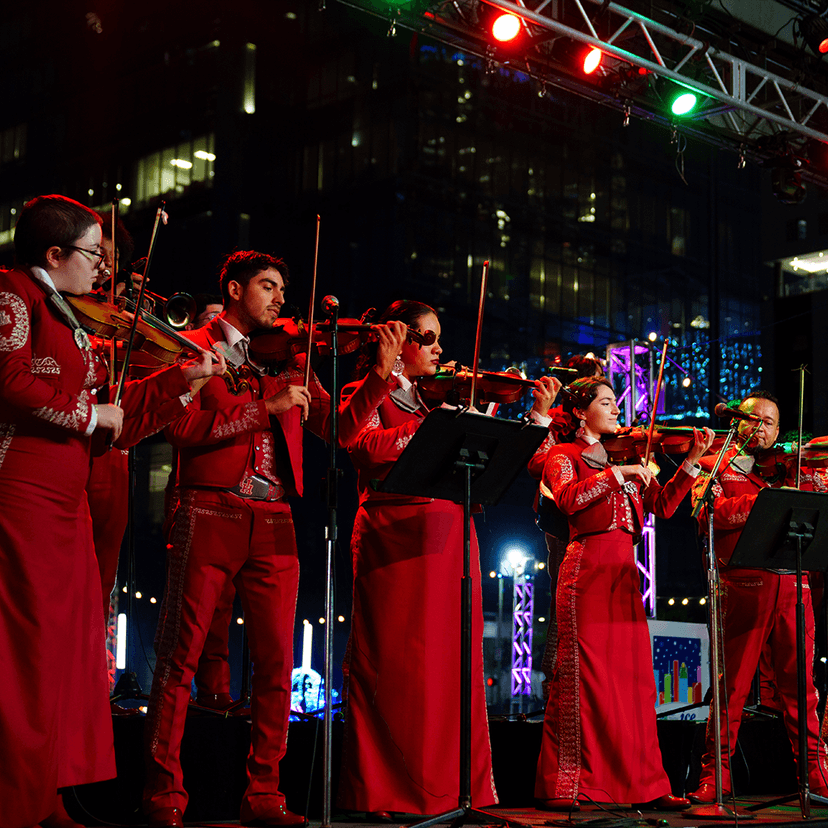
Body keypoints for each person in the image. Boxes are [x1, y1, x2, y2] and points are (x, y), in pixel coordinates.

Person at [143, 250, 403, 828]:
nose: (281, 299)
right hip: (209, 508)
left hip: (277, 518)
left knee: (277, 663)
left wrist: (380, 375)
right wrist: (265, 408)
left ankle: (264, 792)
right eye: (268, 286)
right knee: (179, 658)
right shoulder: (193, 346)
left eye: (283, 289)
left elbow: (340, 430)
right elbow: (178, 428)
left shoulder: (291, 360)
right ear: (235, 290)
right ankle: (163, 793)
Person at [0, 194, 224, 828]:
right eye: (93, 254)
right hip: (22, 491)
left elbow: (115, 421)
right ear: (54, 254)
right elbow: (7, 379)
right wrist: (87, 413)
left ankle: (44, 793)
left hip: (66, 500)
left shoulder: (66, 311)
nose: (103, 268)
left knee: (66, 650)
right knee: (27, 648)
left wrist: (181, 381)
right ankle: (14, 799)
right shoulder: (13, 293)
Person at [337, 300, 553, 816]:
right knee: (397, 663)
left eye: (438, 338)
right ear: (400, 341)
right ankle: (387, 790)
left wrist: (535, 419)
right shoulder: (367, 390)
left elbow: (490, 458)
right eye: (428, 338)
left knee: (453, 665)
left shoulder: (436, 401)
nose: (440, 350)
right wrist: (430, 427)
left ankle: (452, 789)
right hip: (396, 536)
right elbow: (358, 444)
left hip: (454, 533)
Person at [534, 376, 714, 810]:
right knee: (584, 678)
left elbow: (664, 506)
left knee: (633, 684)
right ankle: (568, 785)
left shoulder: (627, 458)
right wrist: (618, 474)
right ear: (580, 412)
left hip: (623, 576)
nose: (617, 409)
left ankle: (644, 785)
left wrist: (692, 460)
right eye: (606, 402)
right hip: (587, 572)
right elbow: (568, 500)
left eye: (616, 402)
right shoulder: (563, 455)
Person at [687, 391, 828, 802]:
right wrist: (766, 502)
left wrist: (806, 470)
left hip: (794, 586)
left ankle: (816, 776)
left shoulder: (793, 470)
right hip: (742, 587)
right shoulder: (715, 465)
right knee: (731, 689)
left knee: (802, 691)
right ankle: (715, 778)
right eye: (753, 420)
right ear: (737, 423)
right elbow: (710, 514)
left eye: (769, 423)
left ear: (779, 431)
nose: (760, 429)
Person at [527, 354, 603, 694]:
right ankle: (556, 679)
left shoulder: (604, 425)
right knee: (565, 599)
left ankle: (589, 678)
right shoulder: (558, 420)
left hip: (598, 521)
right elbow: (537, 463)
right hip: (565, 520)